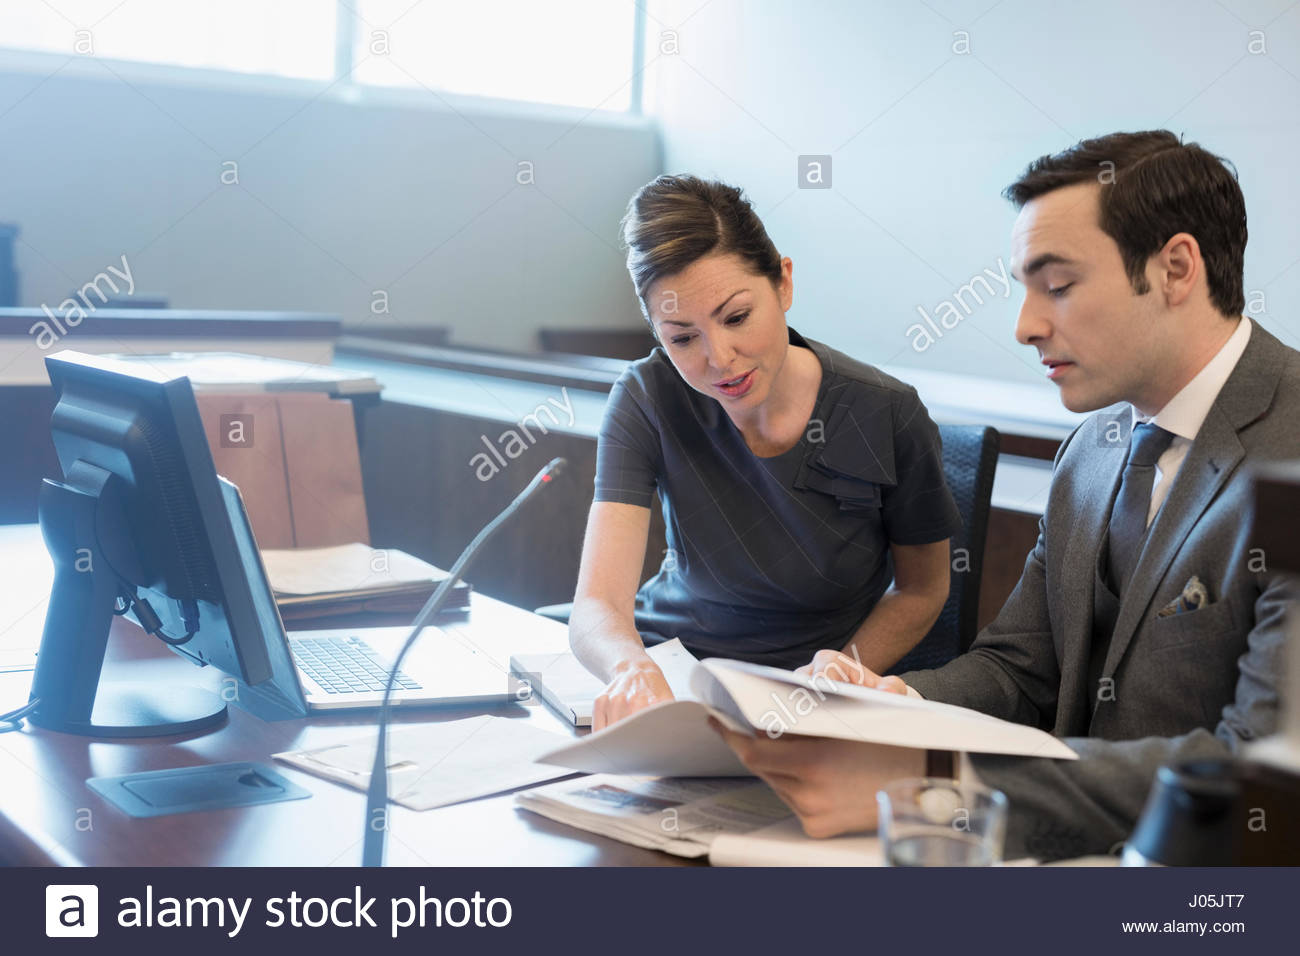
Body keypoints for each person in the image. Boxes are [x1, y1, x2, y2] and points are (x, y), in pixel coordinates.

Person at [712, 130, 1300, 860]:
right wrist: (895, 707)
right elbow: (1021, 669)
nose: (1025, 326)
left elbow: (1266, 772)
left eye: (1057, 286)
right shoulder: (1093, 449)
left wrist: (943, 779)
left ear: (1176, 267)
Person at [570, 175, 961, 730]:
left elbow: (923, 588)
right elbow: (598, 603)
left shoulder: (886, 411)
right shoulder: (647, 396)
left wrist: (843, 669)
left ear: (783, 284)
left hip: (805, 687)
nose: (720, 358)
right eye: (682, 338)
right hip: (671, 666)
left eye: (736, 317)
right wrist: (629, 667)